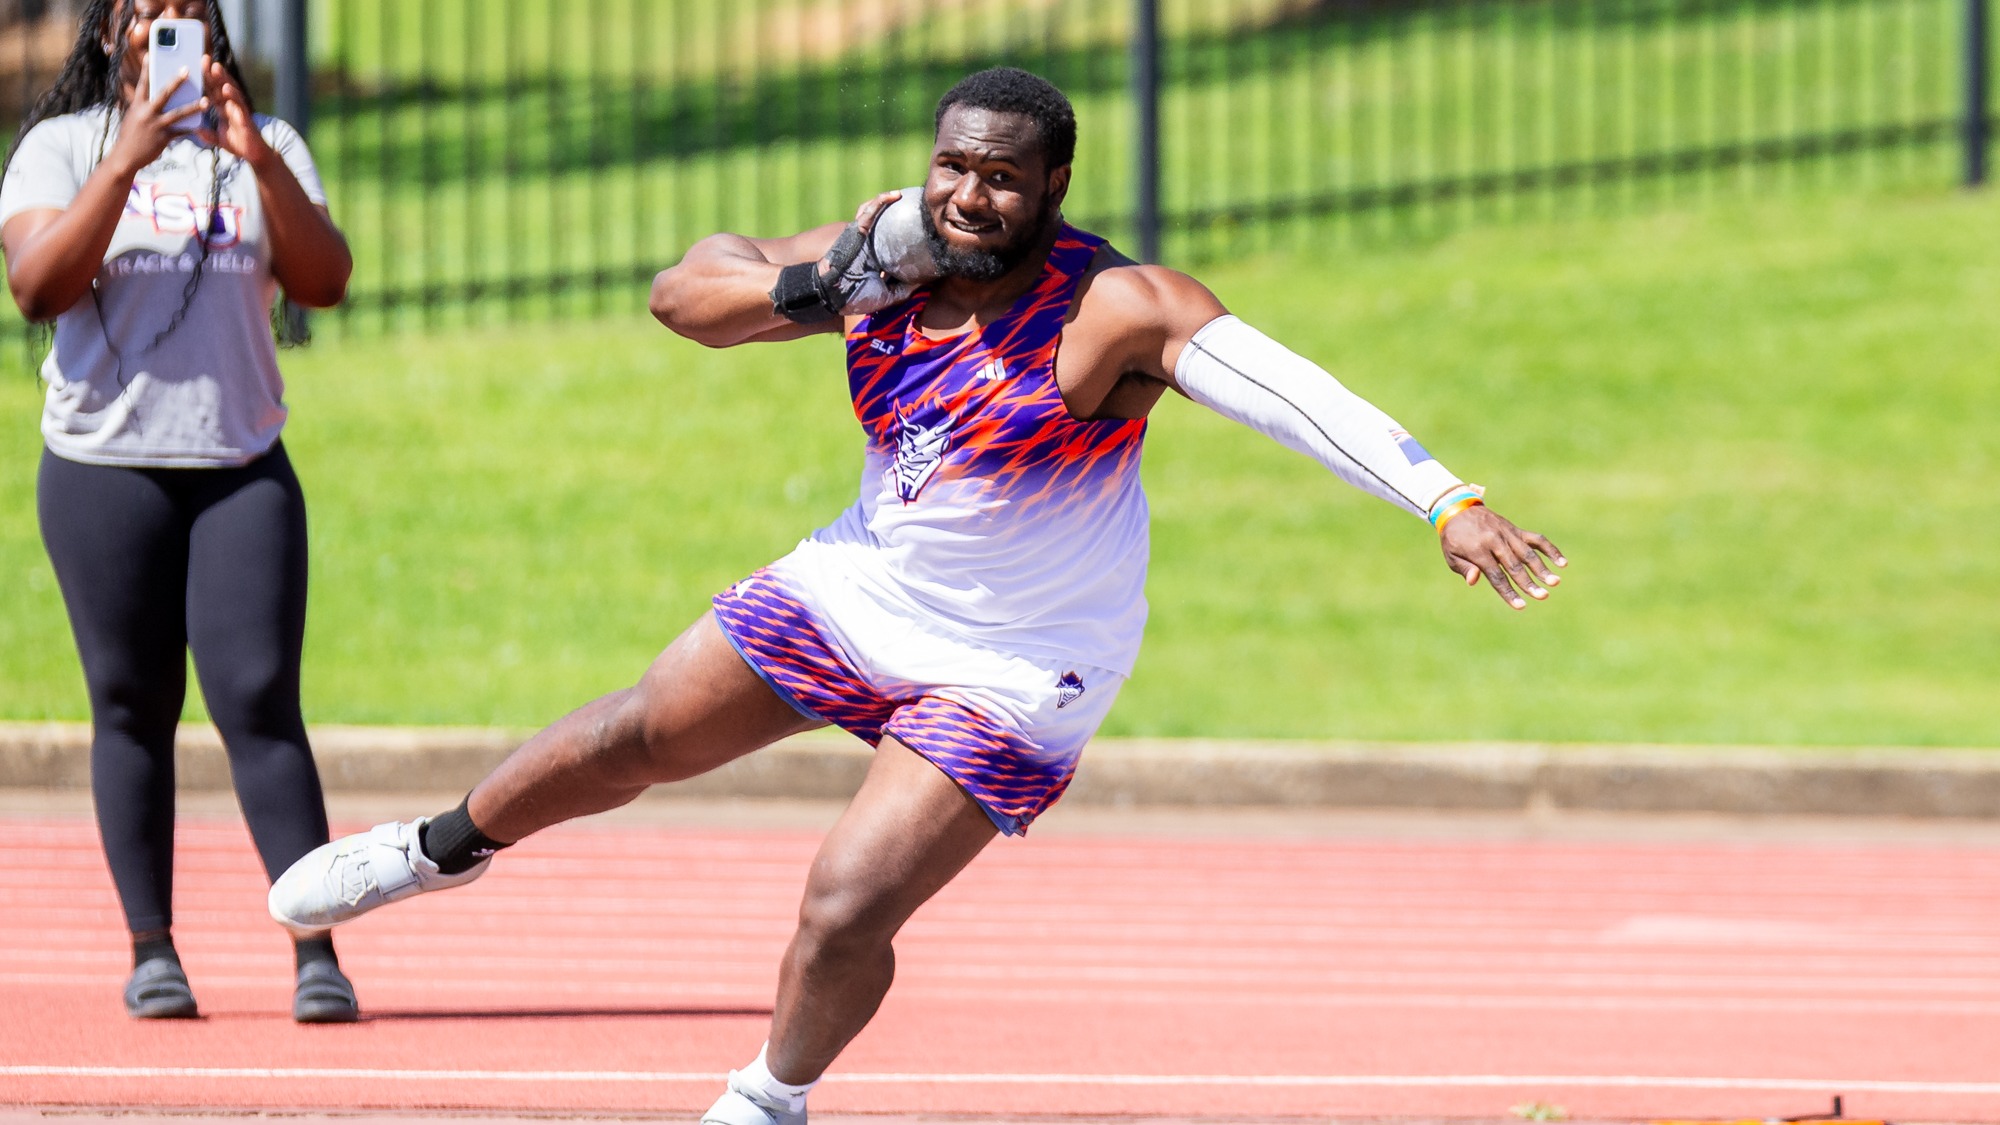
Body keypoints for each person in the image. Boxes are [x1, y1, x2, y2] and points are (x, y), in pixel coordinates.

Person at [269, 67, 1564, 1117]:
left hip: (1022, 655)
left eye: (1004, 177)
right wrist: (821, 284)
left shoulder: (1112, 307)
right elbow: (685, 293)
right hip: (864, 582)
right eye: (956, 166)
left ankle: (769, 1099)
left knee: (845, 901)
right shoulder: (888, 257)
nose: (971, 195)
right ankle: (436, 851)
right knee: (637, 734)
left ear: (1054, 186)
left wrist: (1445, 499)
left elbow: (1286, 389)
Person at [2, 0, 355, 1022]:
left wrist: (258, 158)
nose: (165, 23)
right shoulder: (60, 149)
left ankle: (314, 944)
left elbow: (323, 284)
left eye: (186, 11)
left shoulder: (266, 144)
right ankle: (151, 947)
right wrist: (130, 159)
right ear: (107, 30)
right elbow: (36, 285)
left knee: (257, 701)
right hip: (103, 470)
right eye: (144, 10)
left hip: (238, 462)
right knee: (130, 705)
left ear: (211, 35)